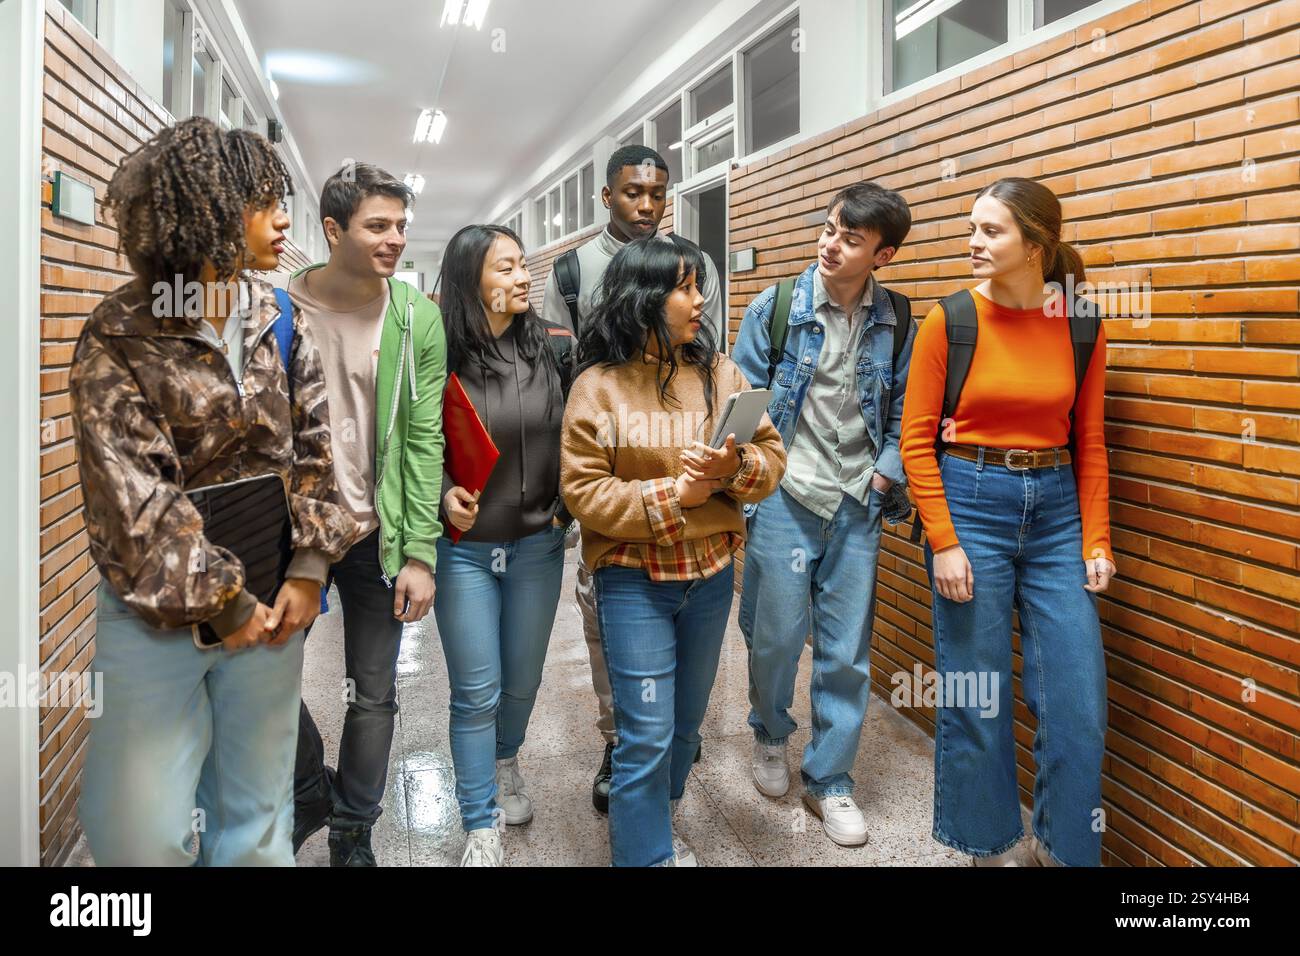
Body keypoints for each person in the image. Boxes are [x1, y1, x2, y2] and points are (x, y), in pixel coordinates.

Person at [70, 117, 359, 865]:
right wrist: (224, 603)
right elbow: (135, 502)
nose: (285, 219)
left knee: (258, 821)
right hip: (155, 620)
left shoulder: (280, 316)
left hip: (271, 606)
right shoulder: (119, 334)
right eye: (263, 203)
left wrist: (308, 571)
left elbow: (320, 450)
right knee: (140, 831)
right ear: (202, 210)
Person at [900, 176, 1115, 867]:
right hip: (971, 499)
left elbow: (1090, 441)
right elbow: (915, 441)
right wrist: (945, 542)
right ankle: (985, 847)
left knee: (1078, 705)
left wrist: (1096, 537)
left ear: (1036, 245)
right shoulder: (951, 320)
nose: (973, 241)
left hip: (1055, 511)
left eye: (991, 231)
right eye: (973, 227)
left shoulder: (1081, 322)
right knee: (977, 695)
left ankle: (1065, 851)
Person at [561, 238, 785, 866]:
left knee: (685, 732)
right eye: (685, 287)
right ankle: (649, 854)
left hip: (709, 579)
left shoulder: (719, 373)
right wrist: (677, 494)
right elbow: (583, 491)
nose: (700, 299)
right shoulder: (598, 387)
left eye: (698, 285)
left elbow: (771, 460)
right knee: (647, 735)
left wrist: (734, 464)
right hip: (633, 580)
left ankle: (654, 817)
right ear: (645, 299)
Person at [731, 182, 915, 847]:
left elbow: (900, 410)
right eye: (830, 229)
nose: (830, 244)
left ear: (883, 255)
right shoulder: (776, 307)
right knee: (776, 634)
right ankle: (770, 734)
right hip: (785, 491)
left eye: (851, 239)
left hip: (857, 499)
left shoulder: (895, 316)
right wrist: (740, 478)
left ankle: (831, 780)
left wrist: (889, 464)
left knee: (846, 651)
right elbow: (743, 403)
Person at [540, 145, 723, 812]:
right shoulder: (570, 271)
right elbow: (558, 377)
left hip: (685, 471)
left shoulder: (692, 263)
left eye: (656, 193)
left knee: (688, 618)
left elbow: (710, 360)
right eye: (630, 193)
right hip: (609, 474)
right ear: (605, 196)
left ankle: (669, 736)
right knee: (608, 622)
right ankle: (622, 743)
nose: (646, 206)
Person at [289, 163, 447, 866]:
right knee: (264, 685)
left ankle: (354, 826)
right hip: (292, 536)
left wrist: (419, 551)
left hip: (376, 537)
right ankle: (305, 788)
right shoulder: (279, 309)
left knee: (373, 693)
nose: (394, 239)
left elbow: (422, 437)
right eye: (377, 226)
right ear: (333, 230)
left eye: (400, 226)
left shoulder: (415, 317)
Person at [432, 224, 574, 867]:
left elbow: (582, 435)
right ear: (470, 281)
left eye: (524, 266)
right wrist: (439, 492)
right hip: (464, 549)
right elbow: (409, 441)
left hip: (537, 547)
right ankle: (480, 818)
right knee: (476, 690)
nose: (522, 278)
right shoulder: (439, 355)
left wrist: (567, 513)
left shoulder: (555, 348)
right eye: (505, 268)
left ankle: (507, 757)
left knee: (522, 681)